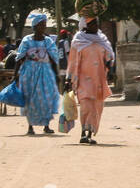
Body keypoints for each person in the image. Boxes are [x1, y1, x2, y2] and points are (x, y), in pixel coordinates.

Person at [66, 15, 114, 144]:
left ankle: (90, 133)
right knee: (86, 104)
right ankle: (83, 132)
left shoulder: (102, 40)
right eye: (92, 24)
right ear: (85, 25)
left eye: (97, 23)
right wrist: (68, 79)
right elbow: (72, 61)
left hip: (98, 78)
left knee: (96, 106)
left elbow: (109, 57)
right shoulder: (78, 41)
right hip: (83, 79)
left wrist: (110, 65)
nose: (96, 26)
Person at [15, 12, 61, 135]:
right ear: (34, 27)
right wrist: (16, 75)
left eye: (44, 25)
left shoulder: (48, 41)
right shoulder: (26, 40)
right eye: (41, 25)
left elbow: (53, 58)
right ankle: (30, 126)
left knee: (47, 98)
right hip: (29, 72)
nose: (43, 27)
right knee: (30, 99)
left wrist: (56, 74)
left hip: (45, 72)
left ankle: (46, 125)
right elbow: (20, 58)